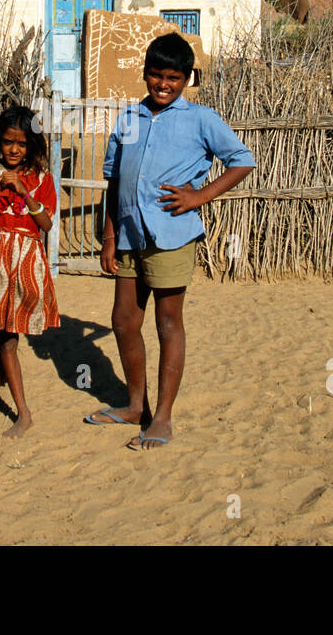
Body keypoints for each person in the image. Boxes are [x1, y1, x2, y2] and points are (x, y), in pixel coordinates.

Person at [85, 33, 255, 450]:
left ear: (187, 79)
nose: (164, 84)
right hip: (128, 234)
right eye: (156, 75)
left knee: (167, 323)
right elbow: (113, 180)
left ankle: (161, 417)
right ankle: (134, 405)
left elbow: (242, 160)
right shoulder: (129, 118)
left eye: (173, 77)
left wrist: (199, 196)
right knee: (124, 320)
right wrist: (109, 236)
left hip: (171, 234)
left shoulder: (201, 119)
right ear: (145, 73)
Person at [0, 105, 60, 438]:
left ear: (31, 145)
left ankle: (21, 412)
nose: (14, 150)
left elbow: (46, 224)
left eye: (21, 143)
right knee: (4, 336)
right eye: (8, 142)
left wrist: (24, 192)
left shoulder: (41, 180)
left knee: (7, 339)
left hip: (25, 264)